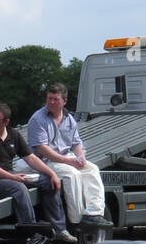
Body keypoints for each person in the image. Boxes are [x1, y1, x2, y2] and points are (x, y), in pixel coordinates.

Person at [0, 104, 72, 238]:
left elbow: (30, 158)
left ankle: (59, 229)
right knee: (19, 188)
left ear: (6, 122)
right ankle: (31, 232)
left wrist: (52, 174)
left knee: (48, 181)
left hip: (6, 176)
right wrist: (13, 178)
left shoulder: (14, 135)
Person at [26, 84, 110, 228]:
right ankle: (76, 220)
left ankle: (94, 214)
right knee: (72, 174)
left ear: (64, 101)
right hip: (43, 161)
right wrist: (69, 161)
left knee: (92, 169)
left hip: (64, 158)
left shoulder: (69, 119)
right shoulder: (37, 119)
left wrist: (81, 157)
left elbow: (76, 142)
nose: (52, 102)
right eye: (49, 99)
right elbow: (42, 149)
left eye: (55, 99)